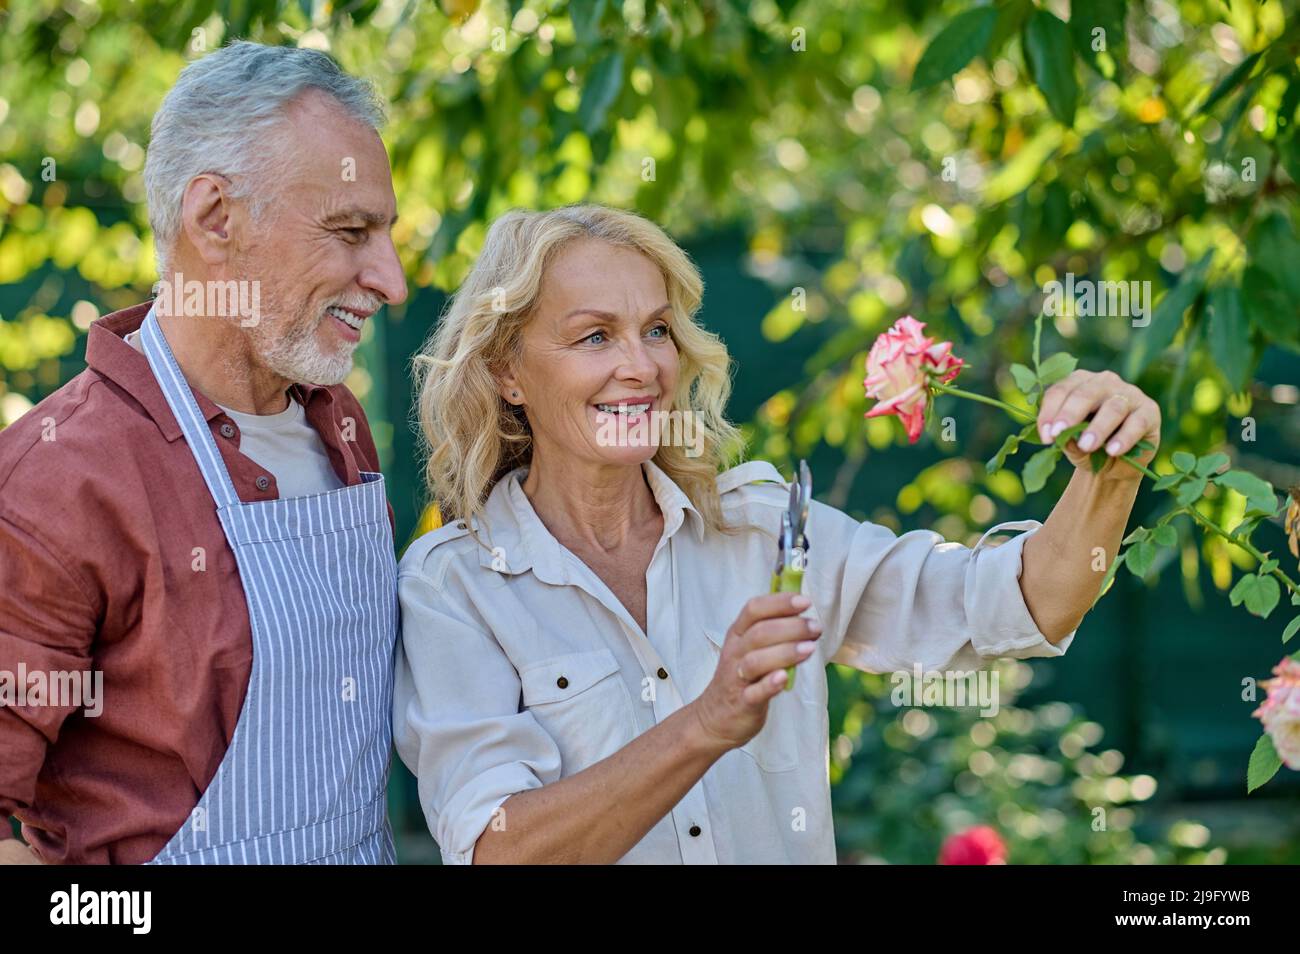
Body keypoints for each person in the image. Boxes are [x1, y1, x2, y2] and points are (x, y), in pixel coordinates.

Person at [394, 203, 1160, 864]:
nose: (640, 366)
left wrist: (1112, 470)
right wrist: (706, 722)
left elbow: (1022, 604)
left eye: (656, 330)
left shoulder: (762, 532)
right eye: (594, 337)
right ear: (507, 373)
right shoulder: (456, 584)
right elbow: (498, 846)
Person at [0, 40, 407, 864]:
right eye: (351, 230)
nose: (392, 279)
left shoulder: (341, 425)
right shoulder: (58, 478)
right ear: (215, 217)